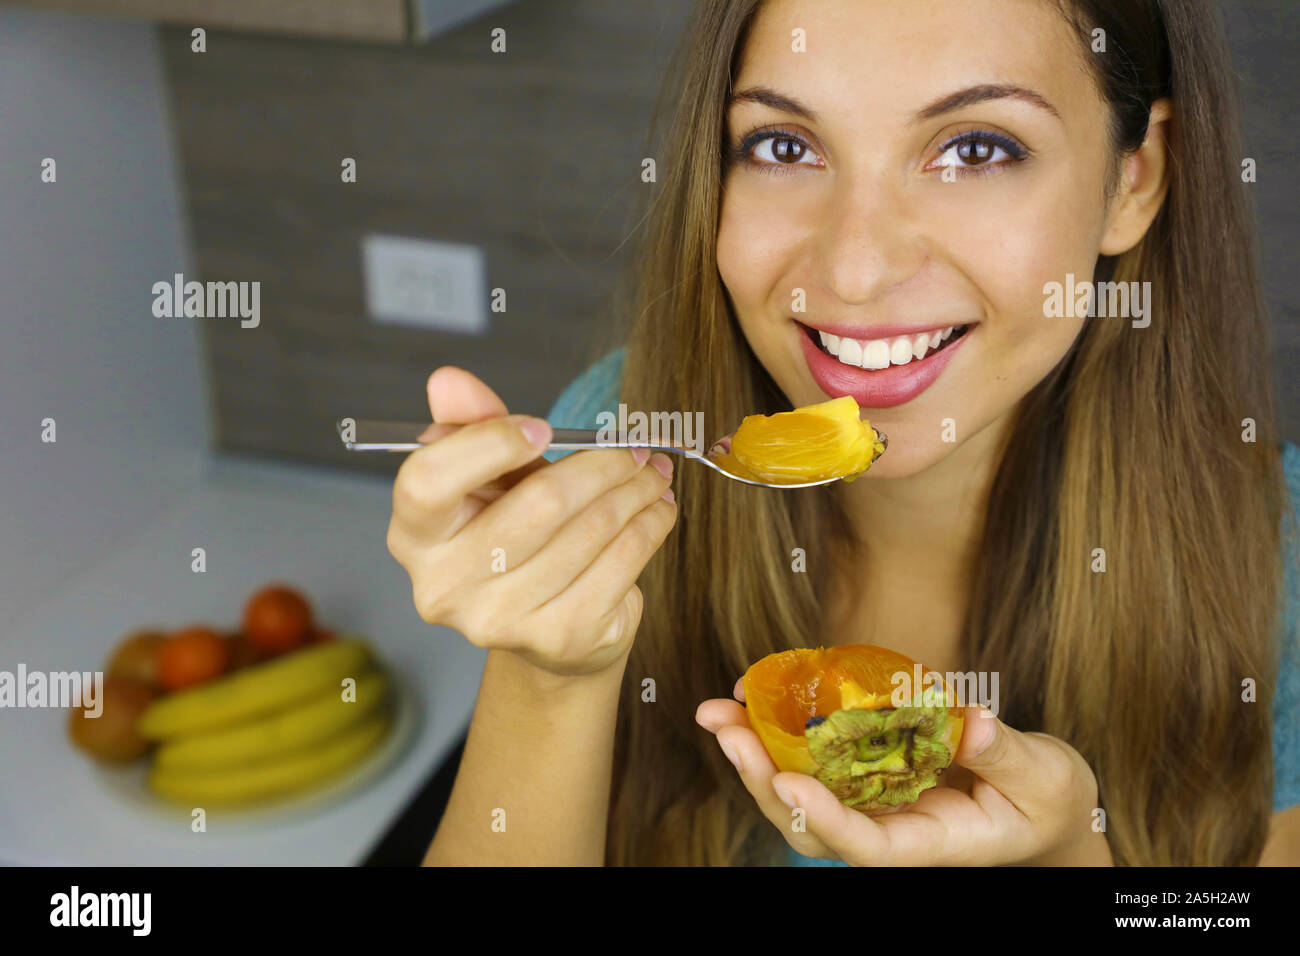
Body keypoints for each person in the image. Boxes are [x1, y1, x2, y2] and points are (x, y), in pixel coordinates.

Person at [388, 0, 1300, 865]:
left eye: (975, 149)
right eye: (783, 145)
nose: (858, 269)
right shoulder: (623, 439)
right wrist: (547, 673)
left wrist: (1065, 855)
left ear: (1132, 181)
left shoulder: (1284, 558)